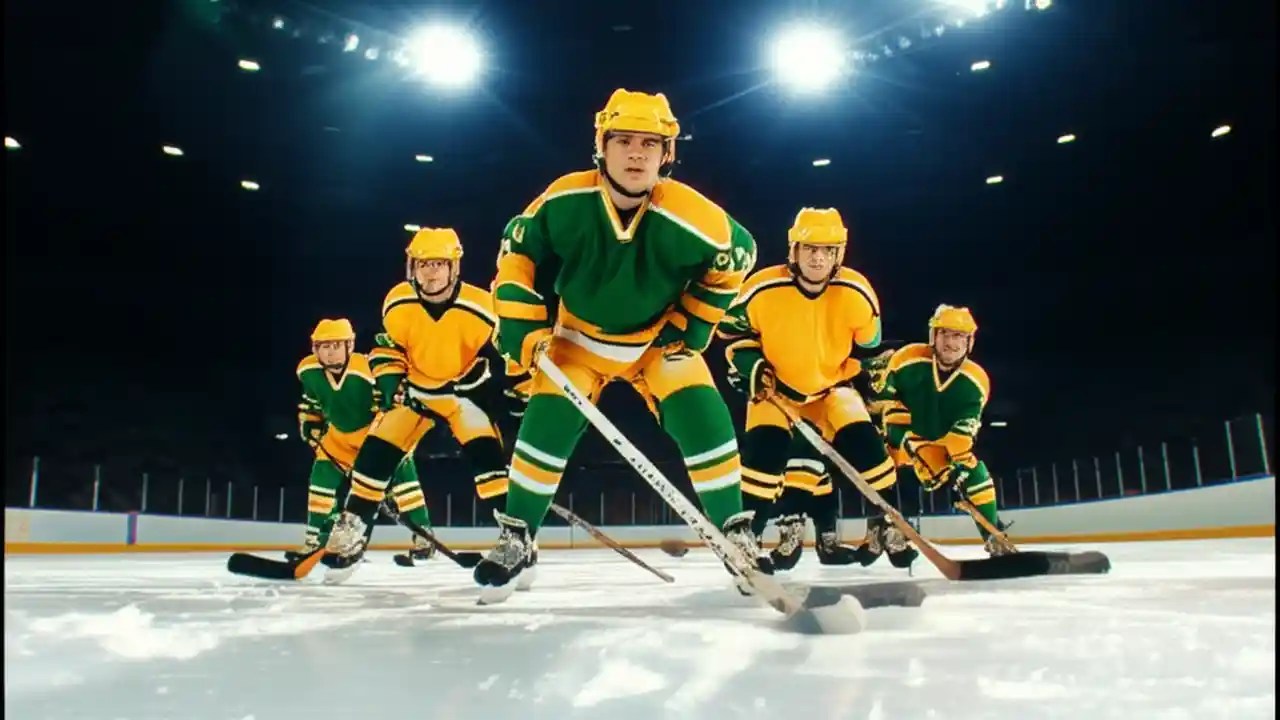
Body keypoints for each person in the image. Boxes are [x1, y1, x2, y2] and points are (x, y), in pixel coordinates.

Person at [478, 88, 761, 602]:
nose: (636, 154)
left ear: (666, 154)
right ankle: (518, 536)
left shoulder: (693, 215)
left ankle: (734, 535)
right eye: (624, 141)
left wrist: (692, 327)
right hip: (575, 341)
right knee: (546, 427)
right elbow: (516, 256)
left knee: (704, 415)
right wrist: (524, 333)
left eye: (650, 144)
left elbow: (737, 259)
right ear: (601, 148)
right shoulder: (564, 199)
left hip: (654, 341)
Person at [719, 207, 919, 569]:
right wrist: (751, 365)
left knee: (866, 447)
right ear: (793, 250)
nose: (818, 257)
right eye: (810, 248)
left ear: (839, 254)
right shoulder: (761, 288)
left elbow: (870, 342)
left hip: (831, 388)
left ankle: (888, 522)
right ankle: (748, 537)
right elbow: (729, 331)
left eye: (827, 249)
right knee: (764, 457)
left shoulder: (856, 293)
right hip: (777, 391)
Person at [321, 229, 515, 568]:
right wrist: (391, 382)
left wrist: (498, 387)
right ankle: (352, 528)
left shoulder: (483, 307)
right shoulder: (398, 301)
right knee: (374, 453)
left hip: (459, 397)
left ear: (454, 266)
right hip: (416, 393)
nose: (430, 272)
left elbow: (509, 356)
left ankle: (516, 538)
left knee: (489, 464)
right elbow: (387, 348)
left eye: (439, 263)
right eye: (423, 263)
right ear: (413, 265)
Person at [290, 318, 433, 563]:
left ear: (350, 345)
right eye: (324, 346)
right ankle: (316, 541)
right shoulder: (308, 370)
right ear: (315, 349)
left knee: (405, 484)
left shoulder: (368, 369)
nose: (330, 352)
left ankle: (424, 538)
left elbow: (393, 403)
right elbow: (312, 402)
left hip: (377, 437)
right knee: (320, 484)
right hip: (338, 440)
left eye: (336, 345)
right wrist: (310, 422)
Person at [871, 304, 1008, 556]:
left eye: (959, 336)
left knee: (974, 472)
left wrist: (950, 468)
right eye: (945, 333)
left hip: (942, 443)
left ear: (970, 342)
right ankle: (889, 526)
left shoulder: (976, 382)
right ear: (933, 335)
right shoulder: (906, 360)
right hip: (903, 437)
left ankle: (994, 535)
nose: (951, 342)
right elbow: (883, 405)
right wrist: (910, 443)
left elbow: (962, 436)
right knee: (891, 466)